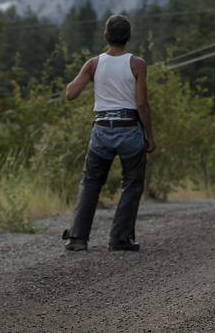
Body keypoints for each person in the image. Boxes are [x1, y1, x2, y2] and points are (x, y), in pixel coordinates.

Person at [61, 14, 155, 252]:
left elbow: (71, 93)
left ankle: (77, 238)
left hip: (101, 129)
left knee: (91, 182)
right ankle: (119, 238)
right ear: (129, 38)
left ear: (106, 37)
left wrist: (86, 77)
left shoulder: (93, 63)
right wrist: (150, 137)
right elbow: (142, 104)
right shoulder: (137, 64)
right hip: (129, 128)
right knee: (132, 183)